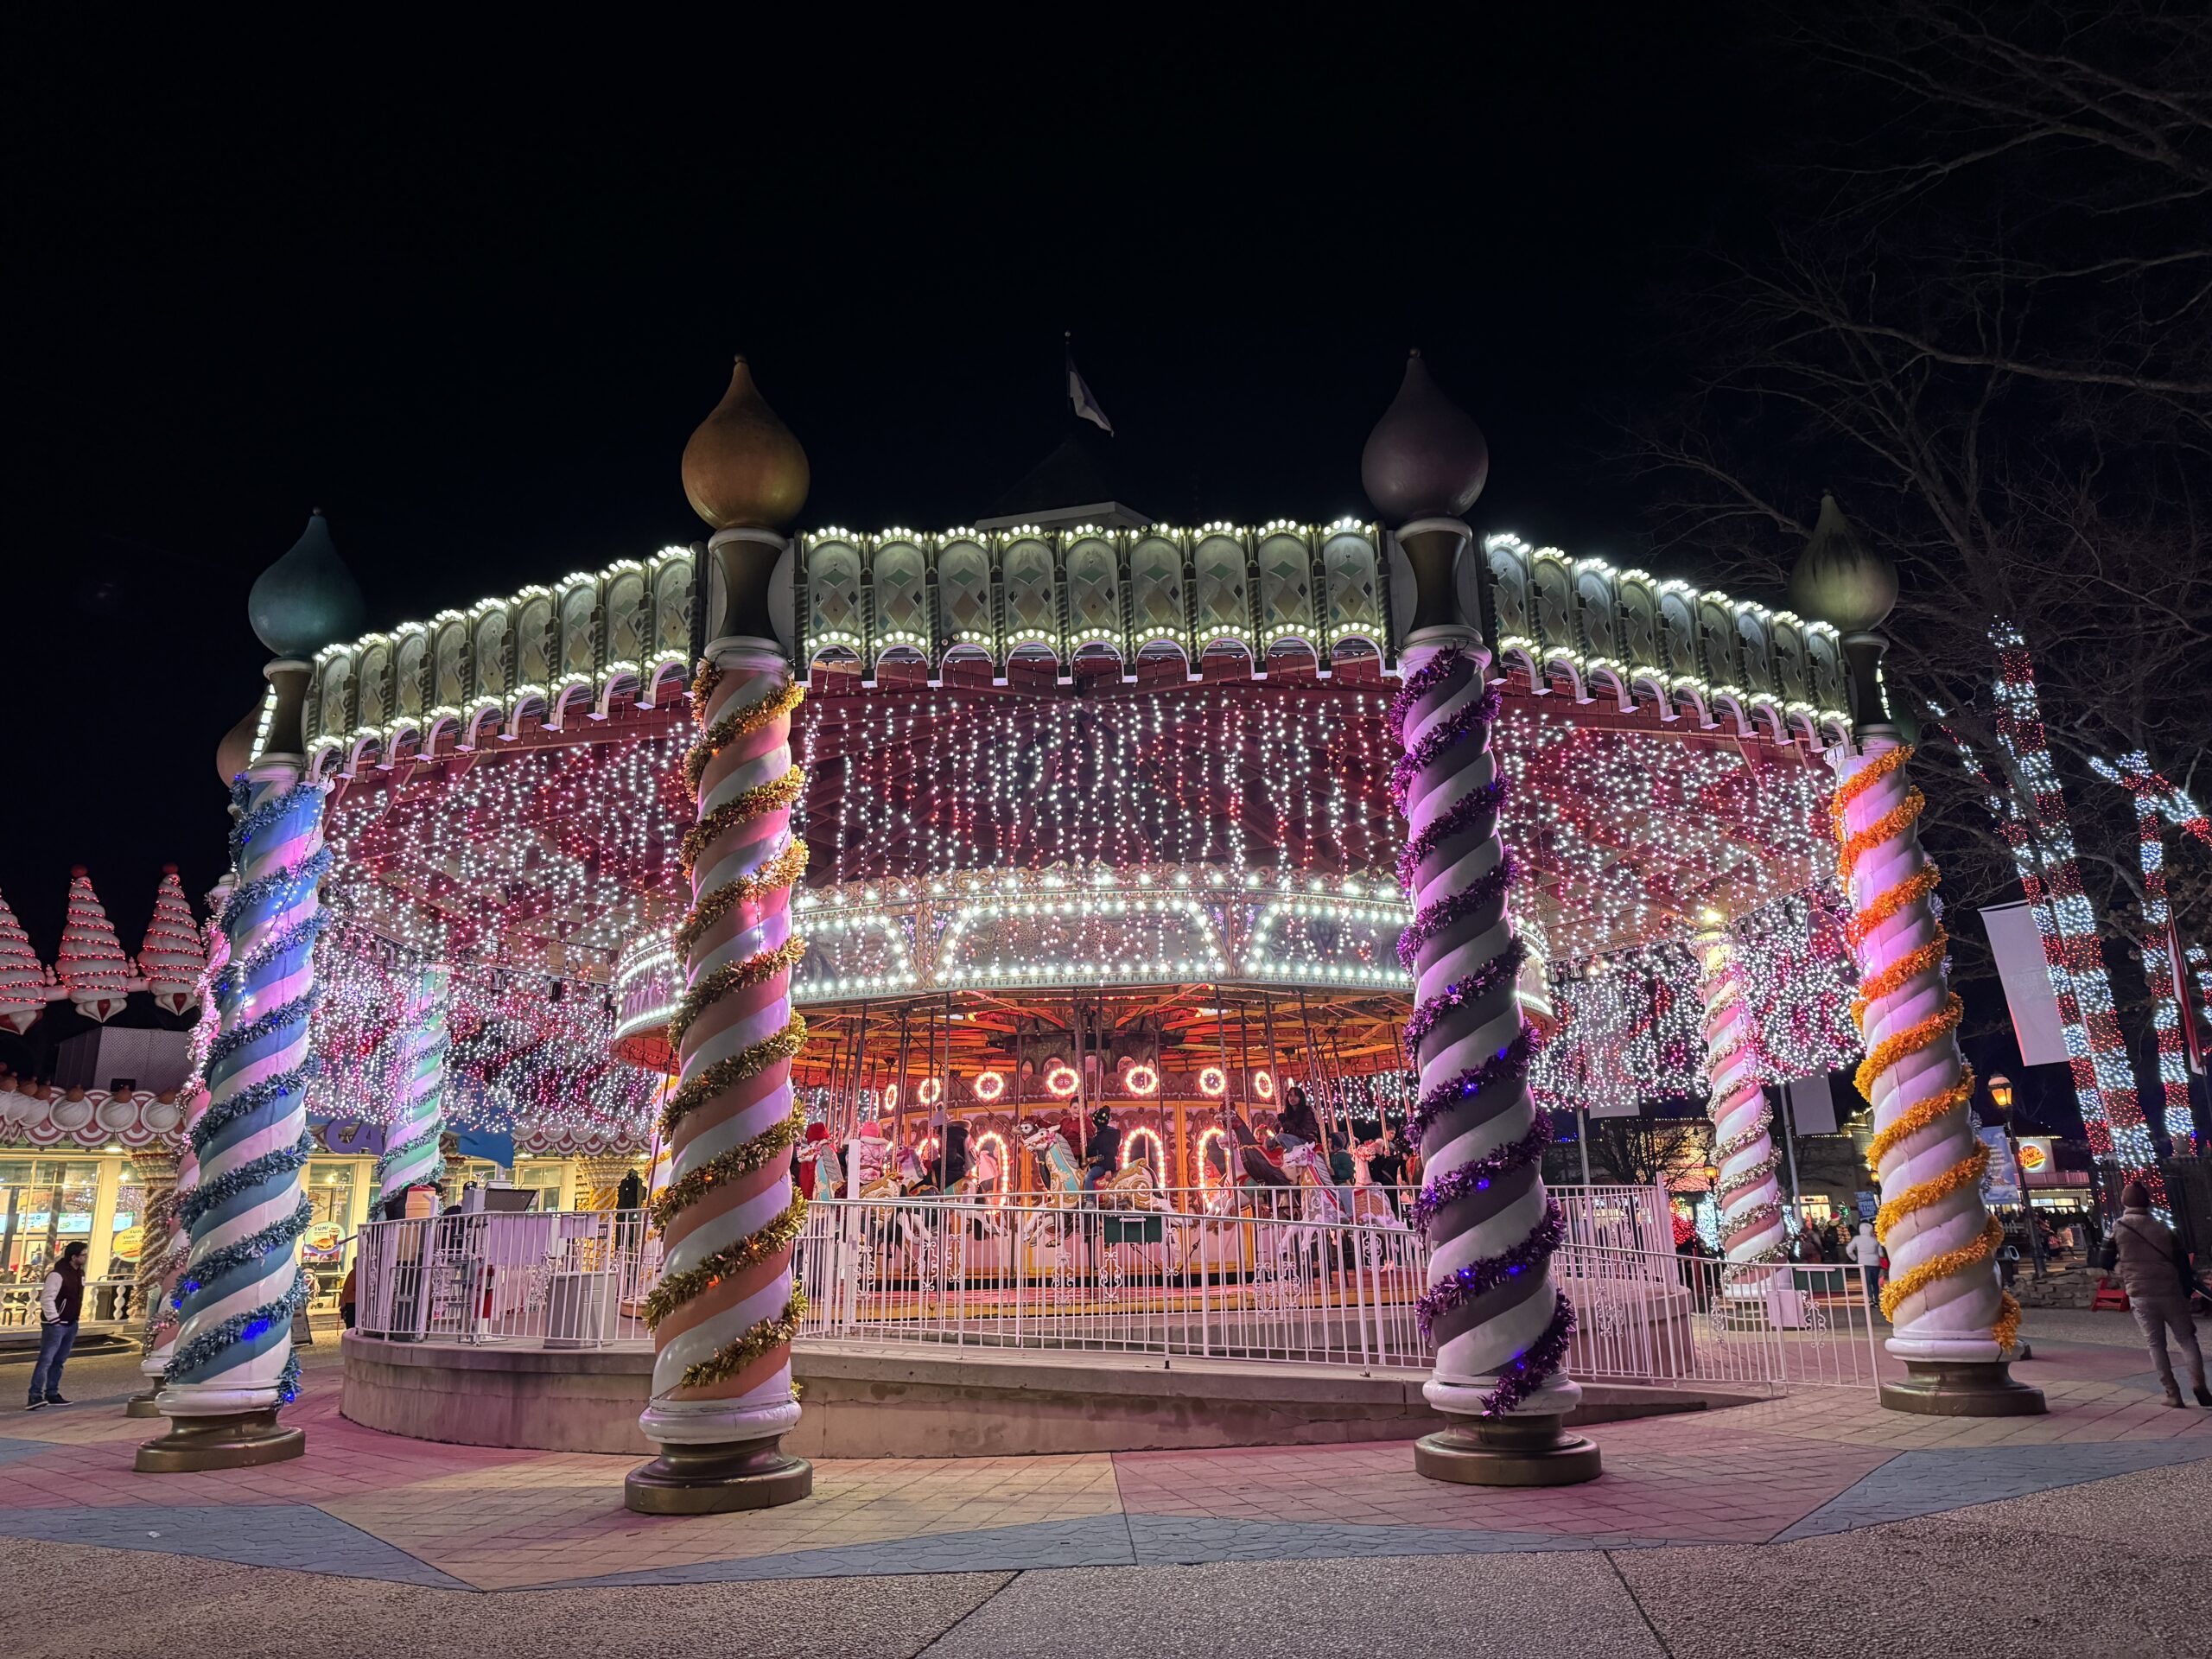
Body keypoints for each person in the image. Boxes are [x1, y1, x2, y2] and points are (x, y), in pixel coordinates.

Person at [2107, 1180, 2209, 1408]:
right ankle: (2200, 1385)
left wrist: (2120, 1267)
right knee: (2187, 1339)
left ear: (2124, 1202)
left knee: (2156, 1344)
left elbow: (2102, 1259)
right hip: (2170, 1291)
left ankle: (2173, 1394)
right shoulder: (2162, 1227)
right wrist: (2186, 1290)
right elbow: (2183, 1263)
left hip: (2140, 1292)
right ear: (2148, 1202)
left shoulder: (2117, 1227)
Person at [27, 1241, 87, 1409]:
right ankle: (35, 1395)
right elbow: (47, 1298)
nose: (85, 1258)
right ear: (74, 1256)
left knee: (59, 1360)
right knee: (46, 1359)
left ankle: (52, 1392)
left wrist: (74, 1318)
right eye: (83, 1255)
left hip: (70, 1322)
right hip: (57, 1324)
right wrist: (54, 1319)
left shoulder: (79, 1273)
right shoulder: (58, 1274)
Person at [1082, 1106, 1122, 1192]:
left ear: (1096, 1123)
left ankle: (1090, 1200)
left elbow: (1109, 1152)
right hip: (1101, 1163)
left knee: (1088, 1177)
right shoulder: (1101, 1134)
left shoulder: (1105, 1136)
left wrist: (1108, 1169)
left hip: (1103, 1165)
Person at [1847, 1222, 1883, 1310]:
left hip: (1863, 1263)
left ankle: (1869, 1298)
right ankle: (1876, 1300)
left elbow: (1849, 1250)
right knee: (1875, 1282)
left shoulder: (1857, 1239)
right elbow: (1881, 1254)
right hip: (1875, 1263)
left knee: (1866, 1281)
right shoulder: (1875, 1240)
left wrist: (1854, 1258)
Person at [1276, 1085, 1321, 1152]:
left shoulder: (1307, 1112)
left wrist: (1287, 1124)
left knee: (1281, 1137)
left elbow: (1304, 1132)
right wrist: (1280, 1126)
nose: (1292, 1098)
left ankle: (1294, 1156)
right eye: (1290, 1095)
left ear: (1300, 1098)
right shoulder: (1288, 1112)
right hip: (1295, 1139)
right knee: (1272, 1140)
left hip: (1306, 1141)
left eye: (1295, 1096)